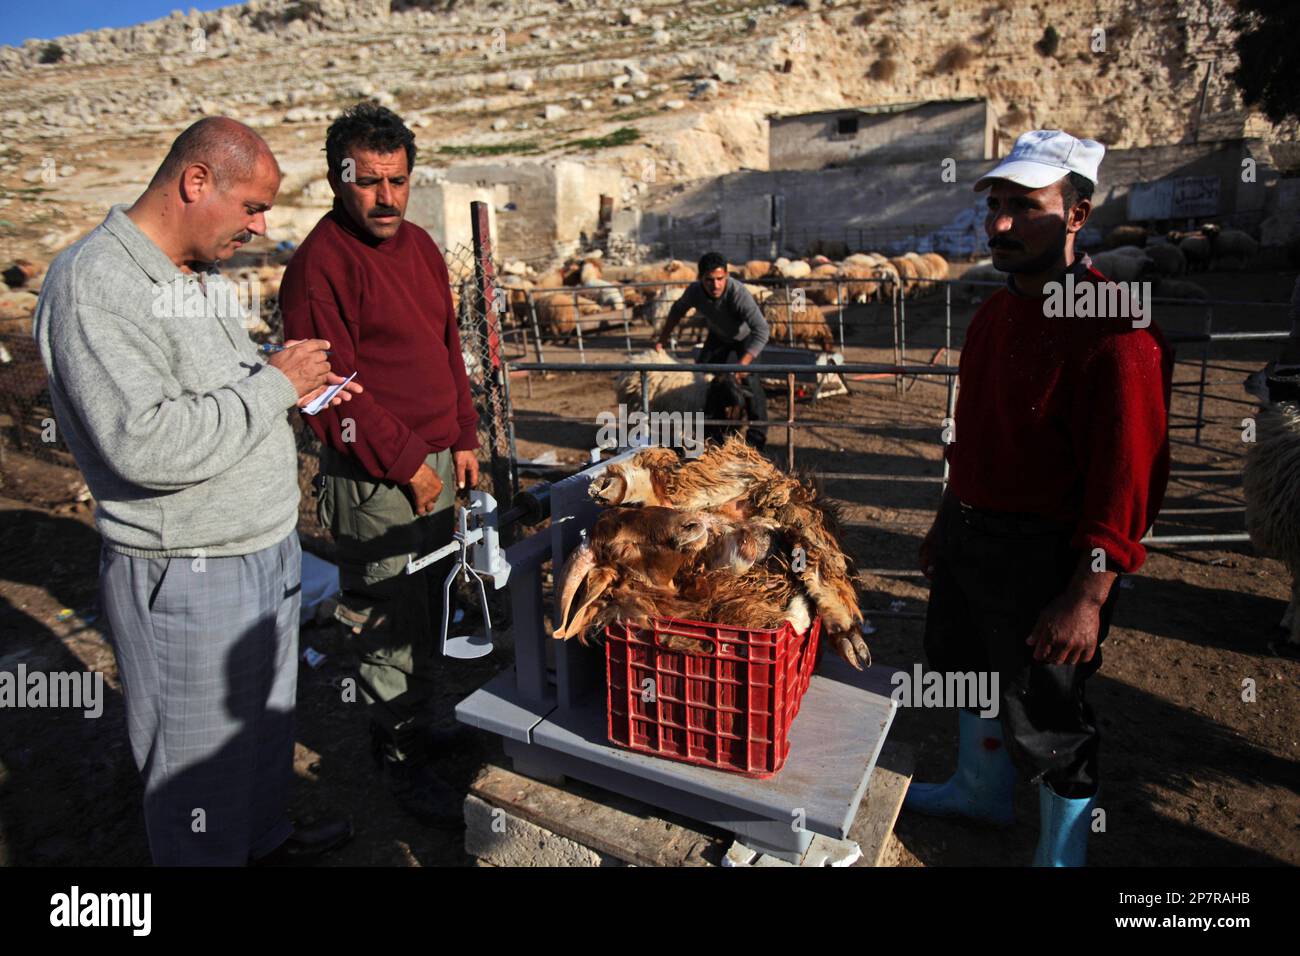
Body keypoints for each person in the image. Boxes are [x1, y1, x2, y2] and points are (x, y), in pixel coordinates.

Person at [33, 117, 359, 865]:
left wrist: (287, 381)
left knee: (261, 727)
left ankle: (264, 842)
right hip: (189, 565)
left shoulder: (193, 279)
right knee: (196, 767)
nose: (260, 225)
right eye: (252, 206)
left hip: (262, 546)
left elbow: (216, 392)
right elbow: (145, 443)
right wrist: (274, 387)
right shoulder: (96, 286)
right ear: (195, 183)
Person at [905, 130, 1173, 866]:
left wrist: (1088, 592)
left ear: (1077, 215)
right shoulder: (993, 316)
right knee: (963, 668)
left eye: (1025, 207)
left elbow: (1129, 473)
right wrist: (945, 524)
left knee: (1048, 711)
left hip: (1046, 556)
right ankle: (978, 788)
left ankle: (1061, 857)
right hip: (970, 535)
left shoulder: (1118, 331)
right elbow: (975, 436)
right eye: (994, 205)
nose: (997, 225)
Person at [280, 103, 480, 828]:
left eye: (397, 180)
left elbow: (447, 346)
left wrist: (462, 435)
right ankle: (398, 760)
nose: (386, 197)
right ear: (340, 179)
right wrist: (405, 463)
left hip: (434, 462)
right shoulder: (320, 266)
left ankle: (426, 725)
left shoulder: (423, 247)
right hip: (374, 479)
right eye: (369, 182)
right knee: (384, 616)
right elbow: (325, 391)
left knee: (427, 607)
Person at [656, 251, 770, 449]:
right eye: (709, 280)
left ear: (726, 275)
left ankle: (756, 437)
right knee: (702, 375)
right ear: (700, 279)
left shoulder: (737, 293)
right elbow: (677, 310)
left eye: (720, 279)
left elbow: (762, 330)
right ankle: (711, 430)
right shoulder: (694, 291)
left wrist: (743, 364)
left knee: (750, 382)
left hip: (746, 337)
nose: (715, 285)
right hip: (718, 335)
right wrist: (662, 339)